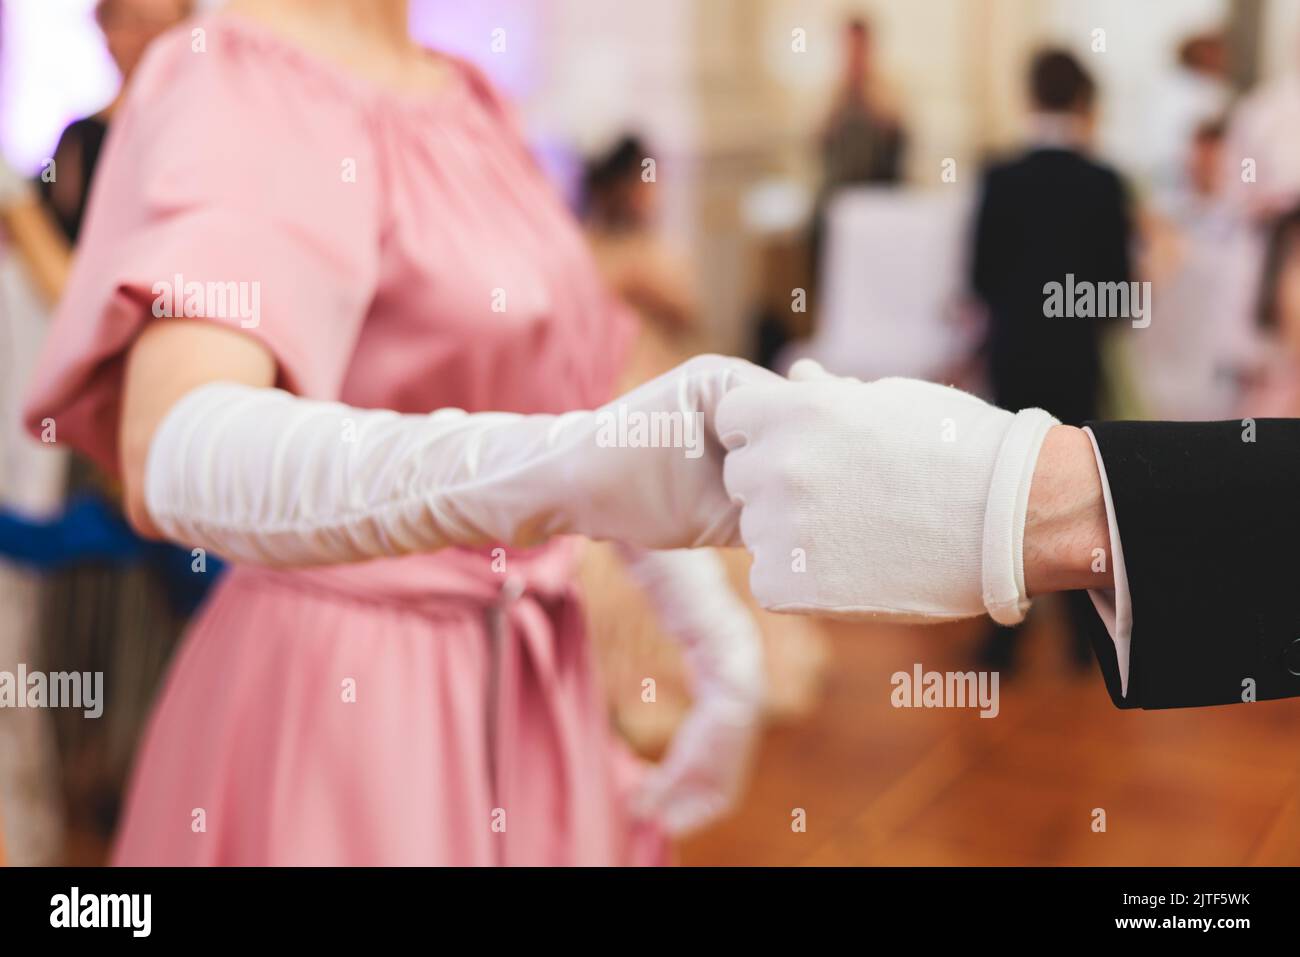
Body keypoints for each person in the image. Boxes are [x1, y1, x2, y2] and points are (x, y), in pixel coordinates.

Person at [23, 0, 775, 864]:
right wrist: (547, 475)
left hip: (536, 680)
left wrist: (715, 636)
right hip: (359, 697)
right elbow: (175, 446)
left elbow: (570, 405)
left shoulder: (467, 99)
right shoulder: (238, 77)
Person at [715, 359, 1300, 710]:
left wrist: (1018, 489)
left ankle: (1021, 644)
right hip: (1076, 362)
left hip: (1020, 358)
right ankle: (1066, 645)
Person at [970, 49, 1132, 674]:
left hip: (1015, 355)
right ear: (1085, 103)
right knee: (1083, 493)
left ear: (1031, 97)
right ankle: (1082, 635)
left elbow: (981, 277)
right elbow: (1117, 287)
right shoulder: (1103, 182)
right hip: (1075, 356)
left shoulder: (999, 177)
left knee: (1007, 489)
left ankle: (1002, 636)